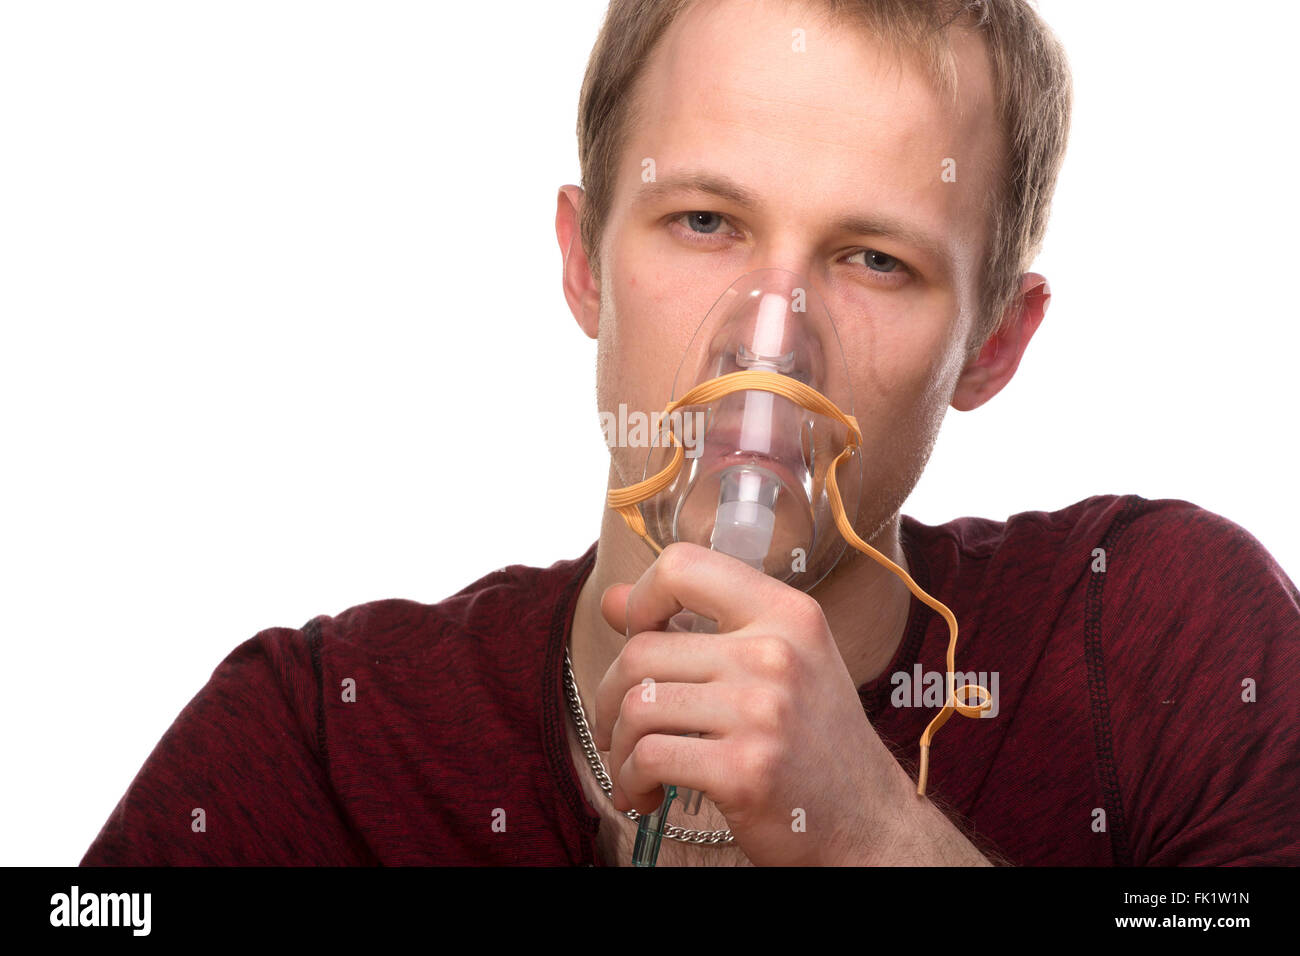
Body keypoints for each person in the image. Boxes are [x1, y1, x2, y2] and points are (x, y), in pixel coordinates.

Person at [81, 0, 1299, 867]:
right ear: (581, 261)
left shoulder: (1150, 644)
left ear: (993, 343)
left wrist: (872, 840)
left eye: (873, 258)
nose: (768, 343)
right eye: (706, 221)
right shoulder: (324, 748)